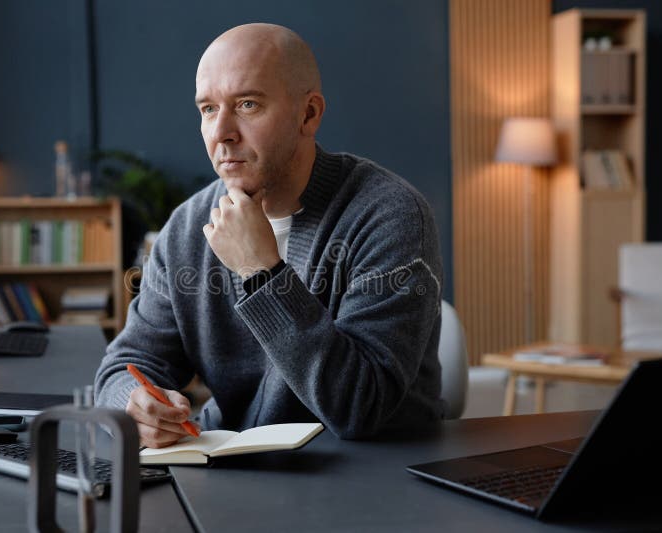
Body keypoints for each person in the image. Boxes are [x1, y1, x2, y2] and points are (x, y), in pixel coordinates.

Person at [95, 23, 445, 448]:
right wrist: (134, 403)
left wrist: (260, 271)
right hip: (240, 473)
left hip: (371, 479)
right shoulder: (188, 228)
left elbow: (359, 407)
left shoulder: (390, 214)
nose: (222, 132)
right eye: (208, 109)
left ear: (308, 114)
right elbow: (127, 363)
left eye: (247, 104)